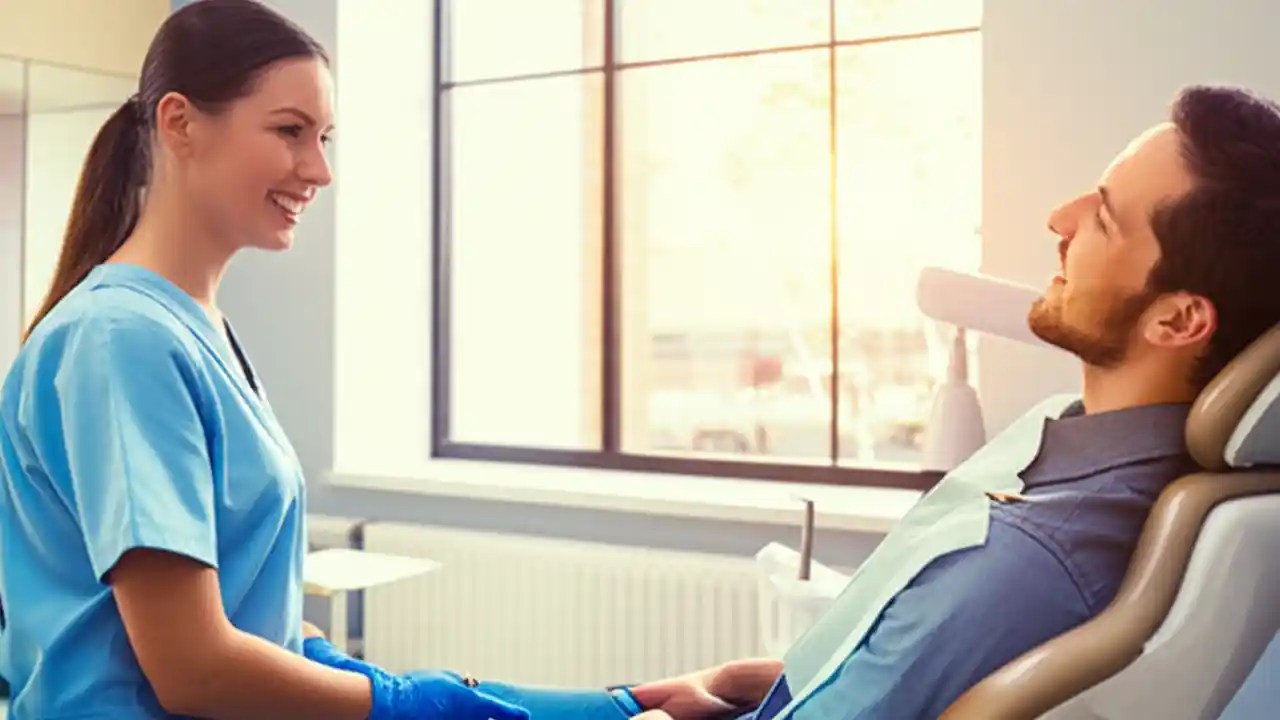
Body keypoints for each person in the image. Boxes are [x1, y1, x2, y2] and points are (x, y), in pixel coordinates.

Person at [278, 85, 1280, 719]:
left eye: (1099, 218)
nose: (1055, 221)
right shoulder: (1067, 464)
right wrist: (790, 673)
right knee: (451, 697)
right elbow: (895, 675)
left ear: (1178, 320)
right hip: (766, 698)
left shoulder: (1027, 559)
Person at [0, 1, 756, 718]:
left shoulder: (194, 332)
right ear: (181, 123)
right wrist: (404, 705)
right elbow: (194, 667)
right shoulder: (121, 338)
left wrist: (617, 704)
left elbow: (261, 635)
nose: (319, 170)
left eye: (324, 138)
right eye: (291, 131)